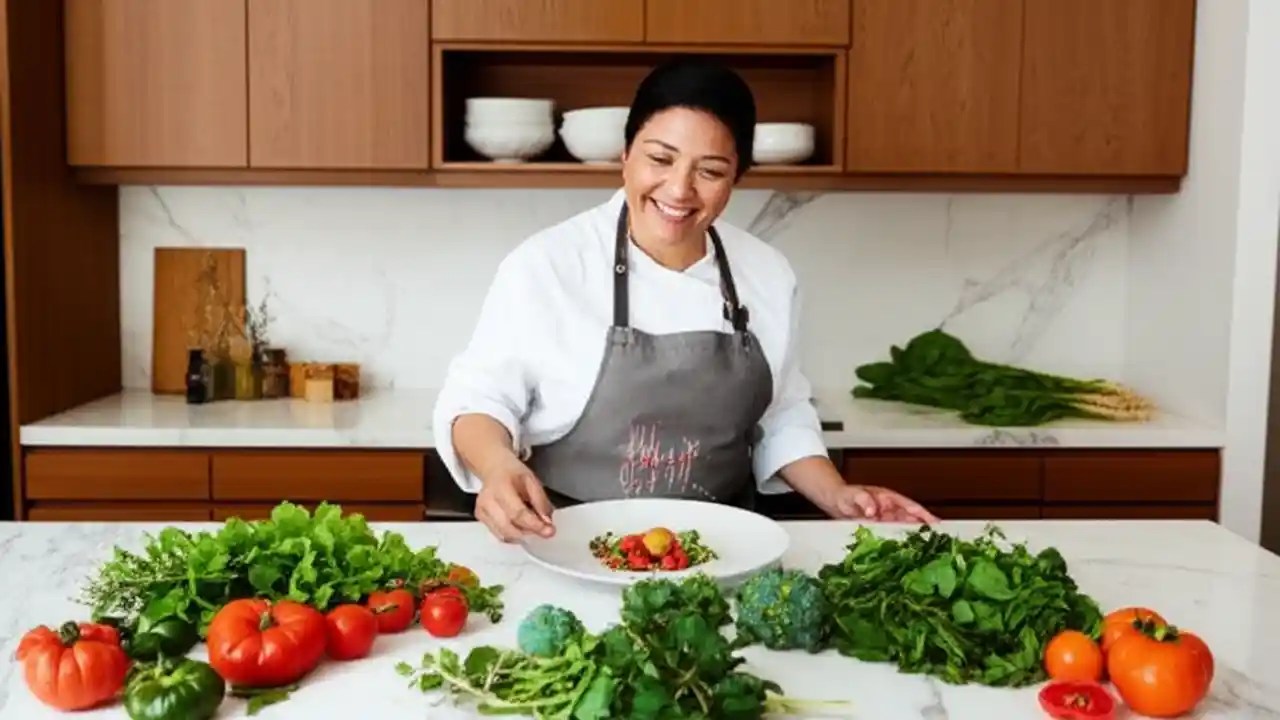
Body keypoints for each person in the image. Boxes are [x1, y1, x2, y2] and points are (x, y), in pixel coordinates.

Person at [433, 58, 937, 542]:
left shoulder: (764, 274)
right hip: (569, 541)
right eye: (660, 159)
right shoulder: (548, 265)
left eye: (710, 171)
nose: (679, 189)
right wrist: (499, 466)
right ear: (626, 155)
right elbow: (479, 401)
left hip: (722, 550)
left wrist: (838, 495)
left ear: (737, 178)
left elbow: (780, 417)